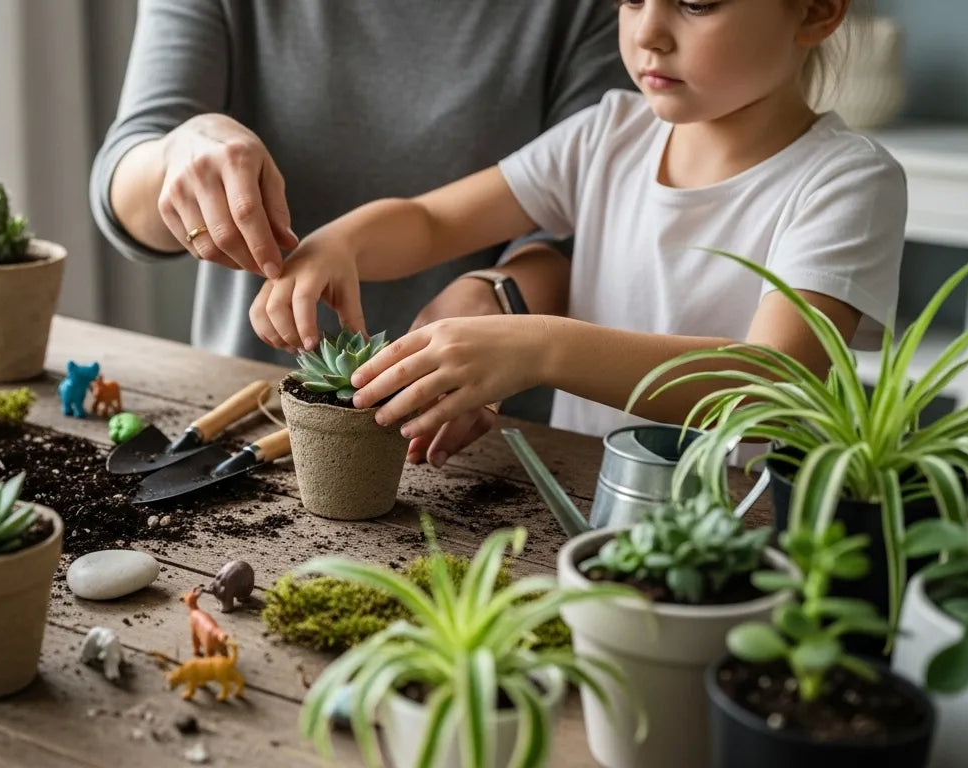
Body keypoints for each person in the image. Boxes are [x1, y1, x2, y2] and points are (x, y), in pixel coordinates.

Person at [251, 0, 904, 448]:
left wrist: (540, 348)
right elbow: (431, 221)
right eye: (631, 0)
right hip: (586, 500)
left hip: (744, 532)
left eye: (696, 4)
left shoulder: (846, 180)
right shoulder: (608, 134)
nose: (648, 33)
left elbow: (767, 382)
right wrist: (341, 242)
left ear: (817, 12)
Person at [90, 0, 633, 467]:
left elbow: (590, 217)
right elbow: (125, 178)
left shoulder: (603, 16)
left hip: (480, 439)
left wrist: (495, 294)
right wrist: (180, 150)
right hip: (243, 407)